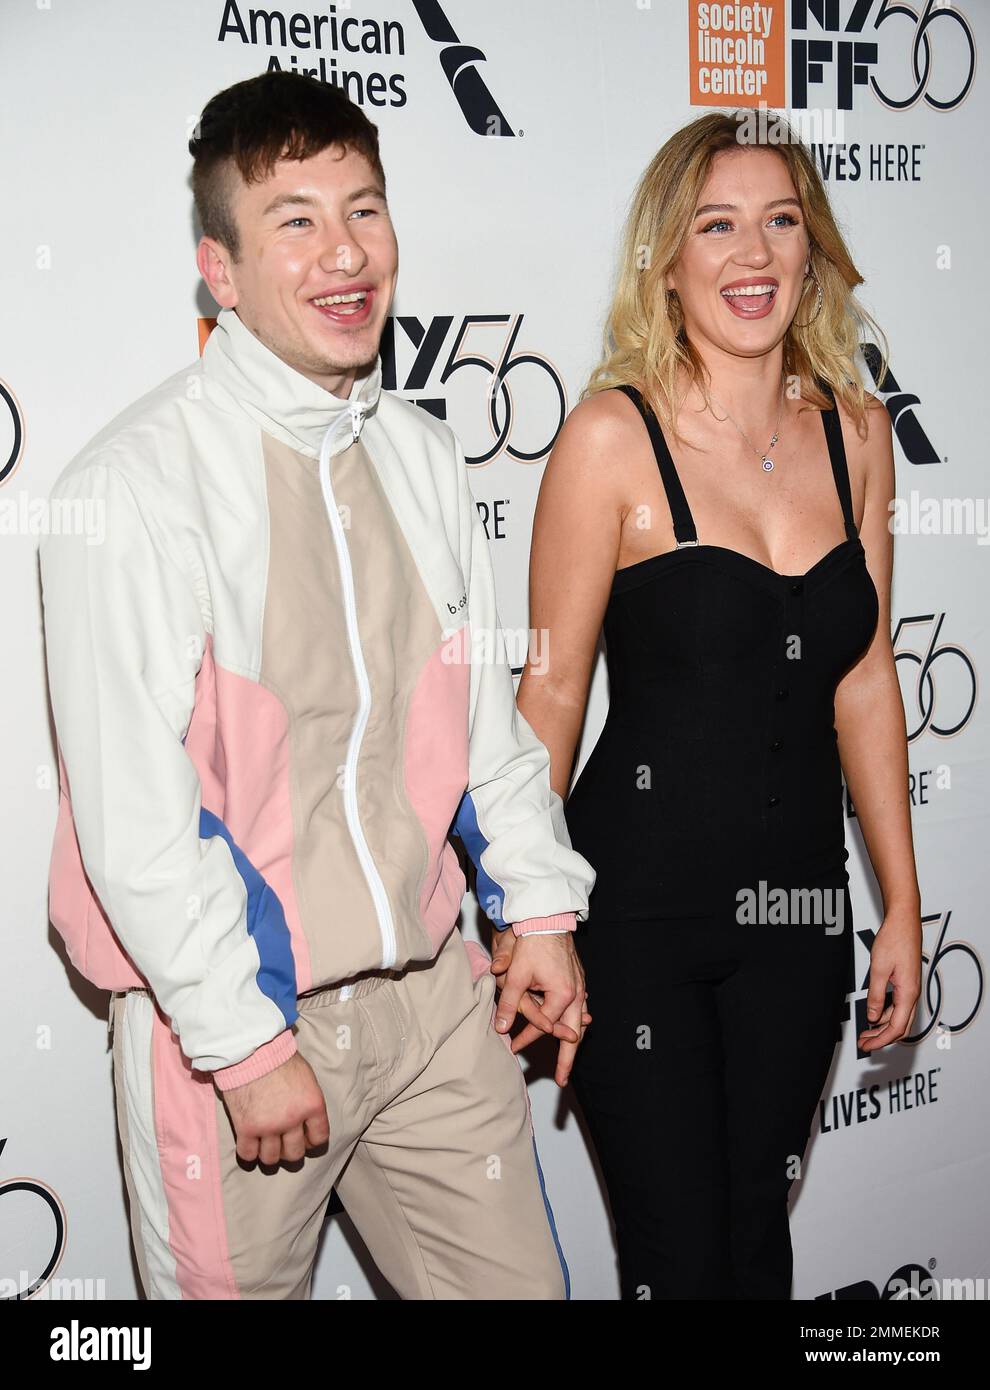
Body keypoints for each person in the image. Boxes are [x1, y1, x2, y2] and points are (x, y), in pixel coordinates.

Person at [39, 70, 595, 1301]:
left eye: (365, 209)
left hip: (436, 1009)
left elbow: (482, 718)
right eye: (294, 219)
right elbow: (134, 813)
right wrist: (242, 1043)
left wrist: (542, 911)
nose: (344, 253)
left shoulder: (425, 452)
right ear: (219, 271)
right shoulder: (131, 485)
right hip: (233, 1027)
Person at [515, 110, 922, 1300]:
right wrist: (533, 912)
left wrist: (901, 900)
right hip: (634, 921)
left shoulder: (858, 434)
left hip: (798, 921)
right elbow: (548, 691)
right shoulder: (610, 436)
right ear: (667, 258)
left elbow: (866, 674)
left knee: (754, 1247)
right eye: (719, 225)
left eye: (782, 222)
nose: (755, 255)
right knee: (680, 1262)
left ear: (814, 248)